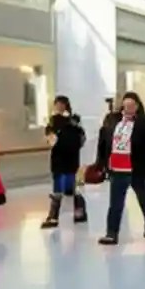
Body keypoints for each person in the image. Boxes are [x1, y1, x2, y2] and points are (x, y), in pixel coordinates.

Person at [94, 92, 145, 244]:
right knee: (115, 202)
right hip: (117, 168)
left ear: (137, 106)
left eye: (132, 105)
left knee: (143, 198)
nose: (129, 108)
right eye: (126, 105)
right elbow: (104, 142)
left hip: (136, 168)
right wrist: (101, 163)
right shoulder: (113, 120)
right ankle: (112, 232)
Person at [42, 95, 87, 229]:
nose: (59, 107)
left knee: (72, 186)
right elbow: (50, 141)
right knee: (58, 187)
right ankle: (54, 215)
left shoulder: (74, 121)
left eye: (62, 104)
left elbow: (82, 138)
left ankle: (78, 212)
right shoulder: (52, 122)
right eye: (57, 104)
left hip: (71, 159)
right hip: (58, 159)